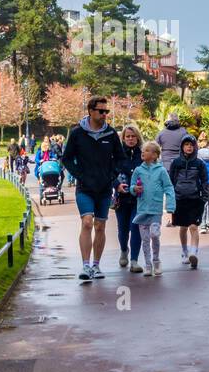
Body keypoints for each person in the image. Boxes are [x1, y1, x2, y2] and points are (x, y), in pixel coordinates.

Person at [62, 96, 126, 282]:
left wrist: (112, 175)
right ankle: (85, 265)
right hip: (84, 188)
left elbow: (120, 158)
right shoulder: (77, 133)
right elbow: (66, 158)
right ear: (90, 111)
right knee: (87, 222)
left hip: (104, 188)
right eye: (101, 111)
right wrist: (79, 175)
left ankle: (96, 265)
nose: (105, 114)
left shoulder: (111, 134)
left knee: (100, 225)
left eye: (106, 111)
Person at [129, 140, 174, 276]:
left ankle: (156, 261)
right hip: (142, 210)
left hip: (155, 210)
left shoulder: (161, 171)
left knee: (155, 234)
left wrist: (170, 205)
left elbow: (168, 187)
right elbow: (131, 186)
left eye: (147, 150)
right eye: (143, 150)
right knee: (145, 239)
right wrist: (134, 189)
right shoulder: (138, 170)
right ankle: (148, 264)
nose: (143, 152)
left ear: (155, 155)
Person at [169, 135, 208, 268]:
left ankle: (194, 253)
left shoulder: (199, 163)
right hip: (179, 199)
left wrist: (204, 197)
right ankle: (184, 251)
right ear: (182, 147)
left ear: (195, 146)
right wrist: (171, 197)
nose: (189, 147)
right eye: (186, 145)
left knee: (193, 226)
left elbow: (205, 181)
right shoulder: (176, 163)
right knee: (183, 227)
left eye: (191, 145)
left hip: (195, 199)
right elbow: (171, 181)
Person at [114, 124, 145, 271]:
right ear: (123, 138)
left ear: (138, 137)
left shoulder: (144, 154)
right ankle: (123, 250)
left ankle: (134, 261)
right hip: (122, 197)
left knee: (136, 227)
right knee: (123, 229)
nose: (131, 139)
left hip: (139, 198)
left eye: (133, 136)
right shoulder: (117, 154)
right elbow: (110, 172)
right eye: (128, 136)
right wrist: (116, 185)